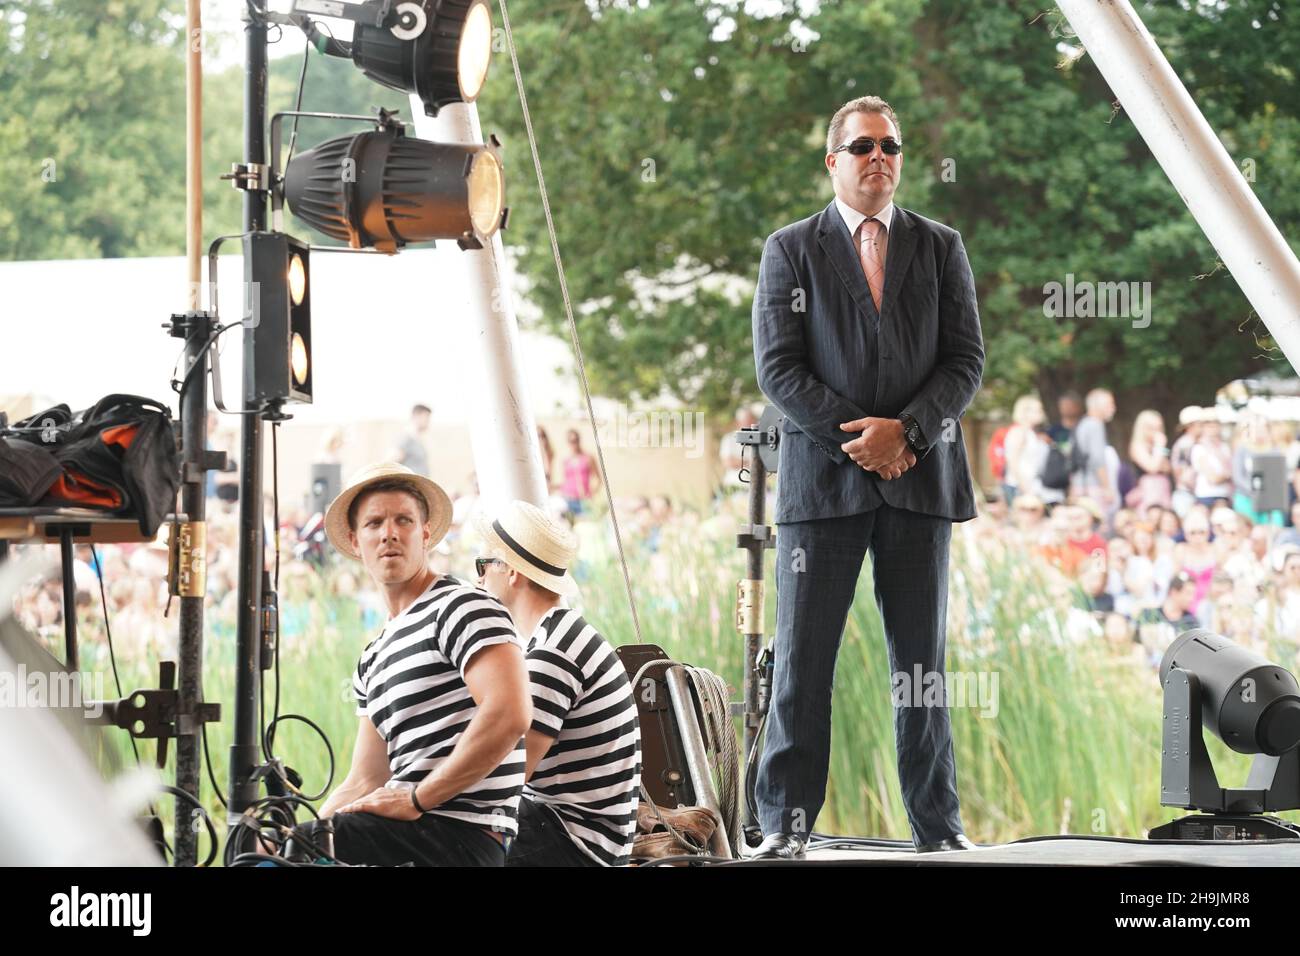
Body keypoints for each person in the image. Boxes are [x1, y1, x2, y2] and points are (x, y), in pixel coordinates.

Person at [749, 95, 984, 859]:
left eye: (889, 145)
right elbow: (778, 370)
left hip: (920, 481)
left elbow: (965, 361)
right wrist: (862, 439)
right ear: (834, 161)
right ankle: (784, 825)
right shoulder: (790, 249)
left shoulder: (942, 246)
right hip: (823, 489)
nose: (877, 156)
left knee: (923, 671)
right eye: (861, 147)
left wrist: (907, 434)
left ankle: (938, 829)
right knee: (802, 663)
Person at [317, 462, 532, 866]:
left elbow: (509, 712)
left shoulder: (461, 606)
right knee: (270, 851)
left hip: (460, 831)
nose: (389, 533)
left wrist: (419, 797)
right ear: (354, 540)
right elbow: (366, 778)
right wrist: (299, 838)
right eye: (374, 523)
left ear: (426, 533)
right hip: (402, 831)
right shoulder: (372, 657)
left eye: (404, 520)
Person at [474, 500, 642, 867]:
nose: (479, 578)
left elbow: (508, 776)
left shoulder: (552, 654)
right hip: (579, 833)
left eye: (484, 565)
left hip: (574, 844)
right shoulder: (561, 635)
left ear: (512, 572)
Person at [560, 429, 600, 516]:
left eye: (576, 440)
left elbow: (598, 479)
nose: (574, 443)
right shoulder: (566, 460)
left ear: (579, 440)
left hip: (583, 501)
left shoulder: (588, 457)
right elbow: (565, 480)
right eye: (571, 441)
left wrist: (592, 494)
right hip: (567, 499)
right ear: (568, 442)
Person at [393, 404, 432, 477]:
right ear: (416, 416)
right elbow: (392, 463)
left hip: (418, 485)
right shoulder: (405, 438)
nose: (428, 422)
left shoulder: (417, 439)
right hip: (409, 485)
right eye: (426, 419)